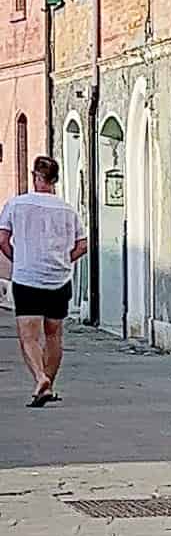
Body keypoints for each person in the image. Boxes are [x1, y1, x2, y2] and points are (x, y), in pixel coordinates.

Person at [2, 155, 88, 408]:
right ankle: (48, 385)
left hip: (27, 278)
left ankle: (40, 378)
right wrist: (63, 260)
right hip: (59, 279)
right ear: (55, 179)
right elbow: (82, 246)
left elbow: (2, 239)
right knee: (54, 335)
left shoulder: (16, 205)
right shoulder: (67, 209)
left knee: (28, 336)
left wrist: (19, 260)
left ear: (35, 177)